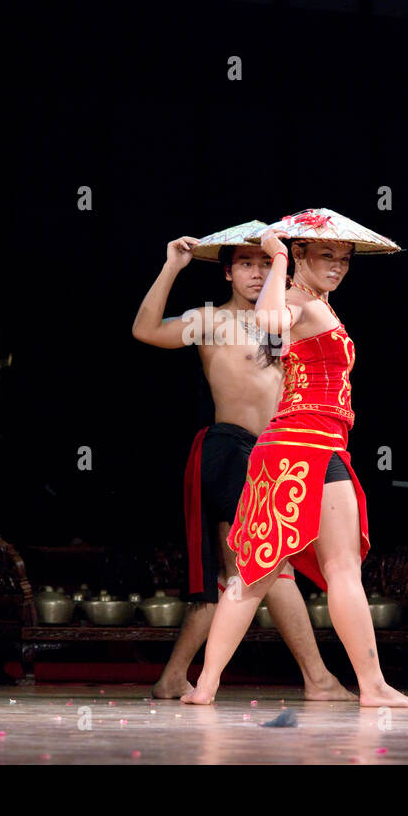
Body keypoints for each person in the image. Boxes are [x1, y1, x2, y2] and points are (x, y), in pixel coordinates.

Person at [181, 210, 408, 708]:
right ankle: (371, 686)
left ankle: (205, 687)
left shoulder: (313, 304)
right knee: (317, 570)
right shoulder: (296, 301)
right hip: (304, 445)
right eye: (326, 256)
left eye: (345, 258)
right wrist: (277, 257)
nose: (338, 266)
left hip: (303, 445)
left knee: (268, 574)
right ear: (302, 259)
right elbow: (269, 322)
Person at [131, 232, 351, 701]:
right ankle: (318, 678)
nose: (257, 273)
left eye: (264, 263)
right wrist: (172, 266)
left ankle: (175, 677)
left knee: (240, 574)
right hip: (232, 449)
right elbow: (145, 330)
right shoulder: (213, 320)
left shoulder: (292, 316)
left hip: (282, 452)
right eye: (245, 264)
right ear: (227, 272)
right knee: (266, 565)